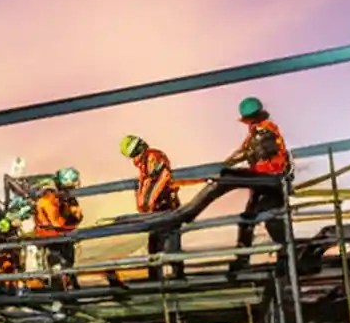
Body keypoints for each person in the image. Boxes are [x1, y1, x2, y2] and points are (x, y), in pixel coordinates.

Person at [186, 97, 291, 272]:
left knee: (263, 219)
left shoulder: (263, 132)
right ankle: (279, 258)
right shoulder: (261, 129)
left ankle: (278, 259)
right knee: (260, 220)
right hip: (266, 182)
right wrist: (227, 164)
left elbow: (250, 153)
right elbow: (245, 151)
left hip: (268, 182)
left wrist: (227, 167)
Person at [120, 135, 183, 279]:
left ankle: (174, 276)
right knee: (155, 245)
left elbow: (161, 179)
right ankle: (158, 277)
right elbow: (147, 183)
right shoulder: (145, 160)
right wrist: (144, 203)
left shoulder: (153, 157)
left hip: (166, 206)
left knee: (170, 243)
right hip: (156, 209)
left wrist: (148, 202)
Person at [33, 167, 84, 290]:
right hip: (52, 237)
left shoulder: (65, 197)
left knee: (68, 262)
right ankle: (61, 294)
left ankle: (70, 287)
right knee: (57, 265)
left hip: (63, 235)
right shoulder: (48, 198)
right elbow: (56, 222)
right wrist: (72, 221)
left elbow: (77, 215)